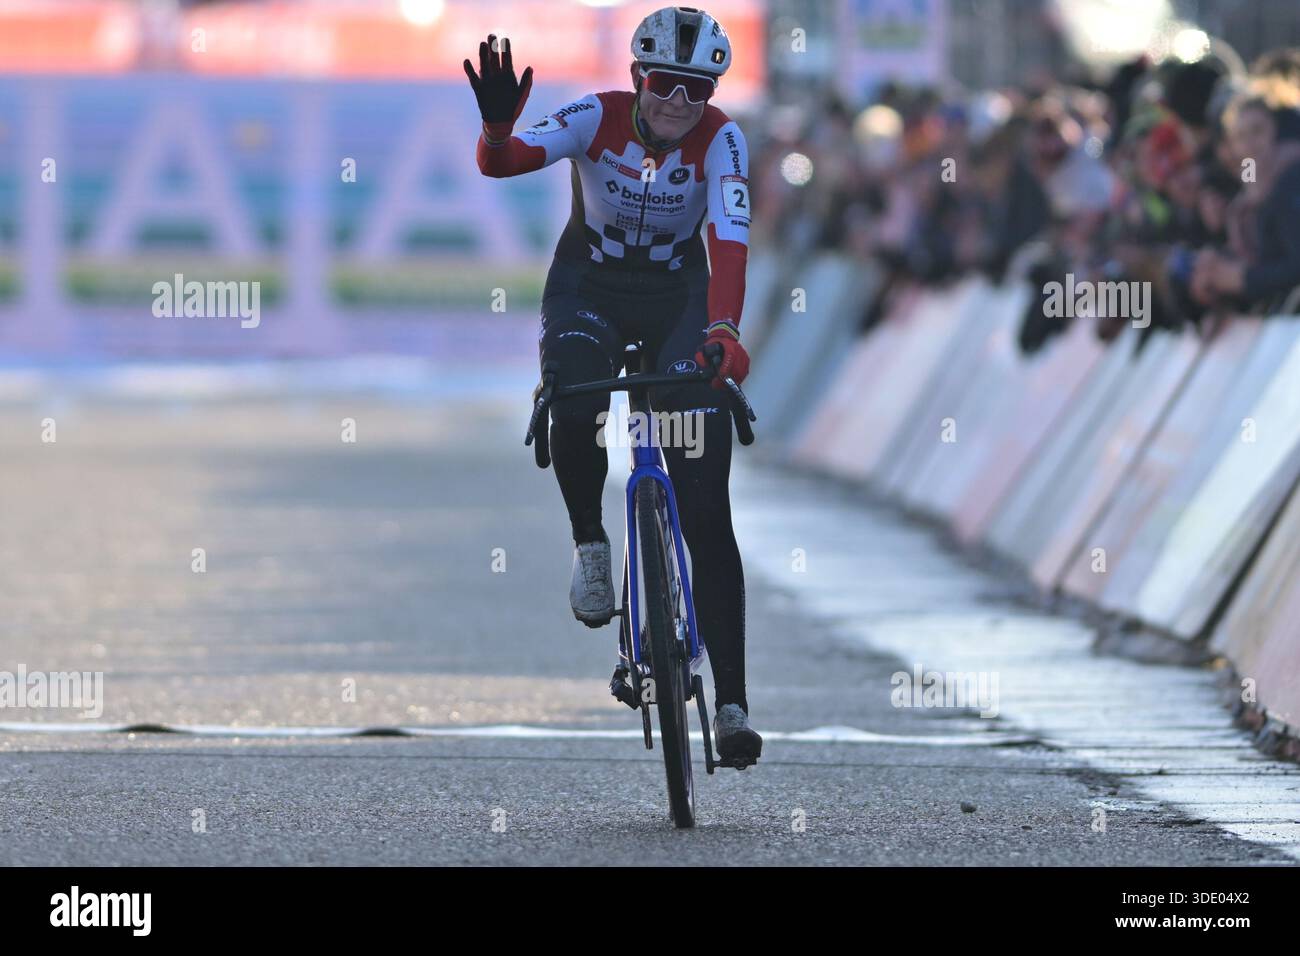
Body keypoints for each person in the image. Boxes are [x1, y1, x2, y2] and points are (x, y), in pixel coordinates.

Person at [464, 6, 761, 764]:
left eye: (699, 89)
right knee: (574, 395)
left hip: (678, 299)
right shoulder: (595, 115)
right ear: (638, 78)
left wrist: (724, 331)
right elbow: (504, 162)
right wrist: (497, 131)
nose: (680, 103)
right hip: (588, 288)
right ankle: (591, 541)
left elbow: (729, 243)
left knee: (706, 504)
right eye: (665, 84)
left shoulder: (723, 139)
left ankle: (732, 705)